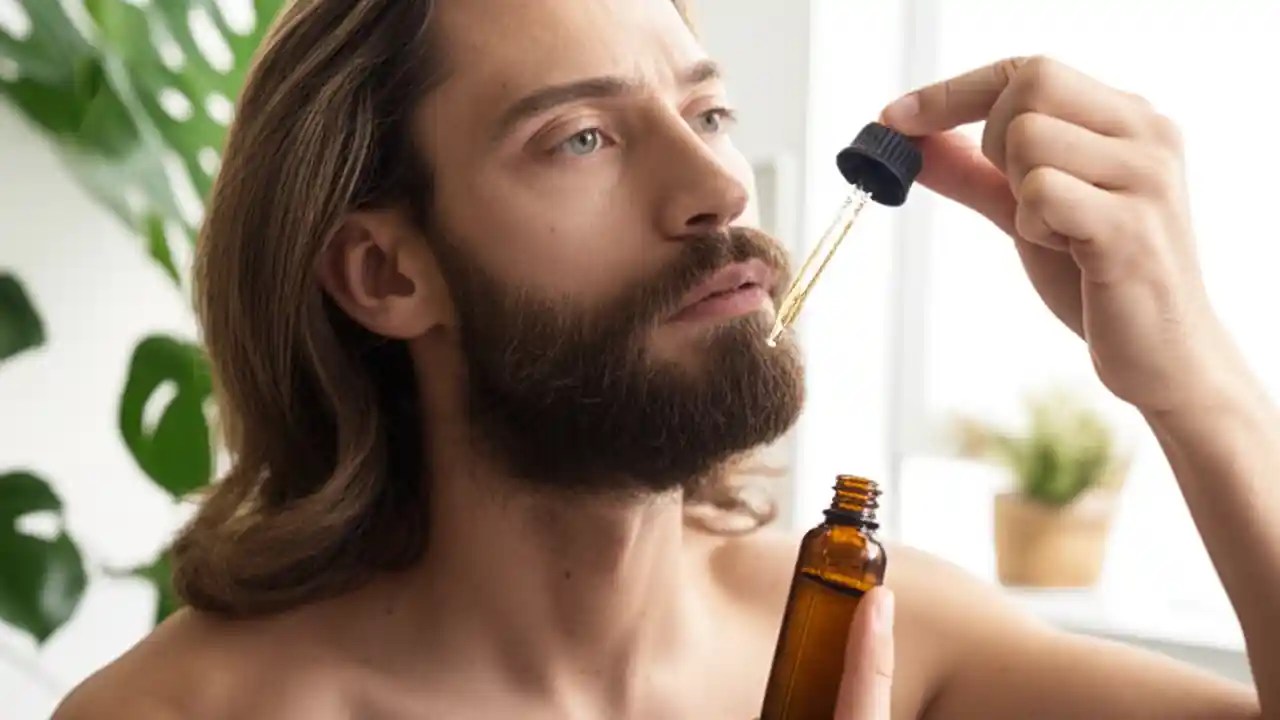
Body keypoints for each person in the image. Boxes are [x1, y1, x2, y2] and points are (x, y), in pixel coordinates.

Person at [54, 0, 1278, 718]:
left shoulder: (891, 645)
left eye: (705, 114)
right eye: (579, 137)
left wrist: (1195, 387)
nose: (717, 184)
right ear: (386, 274)